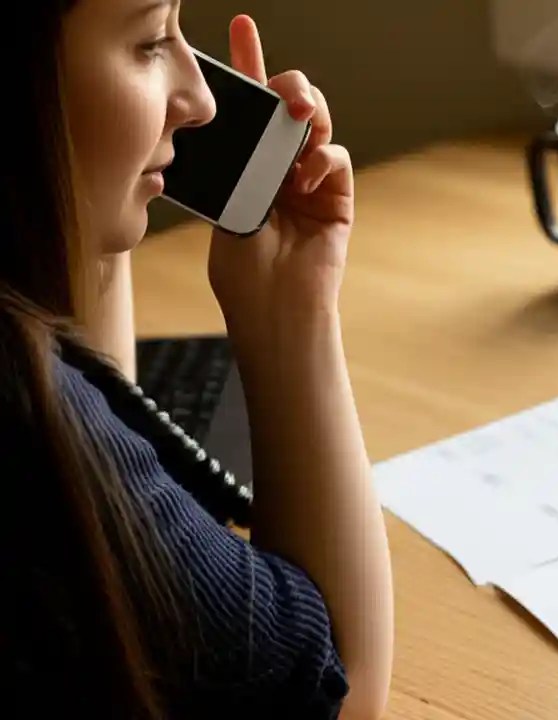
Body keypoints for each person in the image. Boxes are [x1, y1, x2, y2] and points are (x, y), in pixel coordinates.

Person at [1, 2, 394, 718]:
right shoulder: (23, 405)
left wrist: (96, 203)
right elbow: (333, 691)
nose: (202, 97)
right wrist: (292, 309)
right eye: (152, 41)